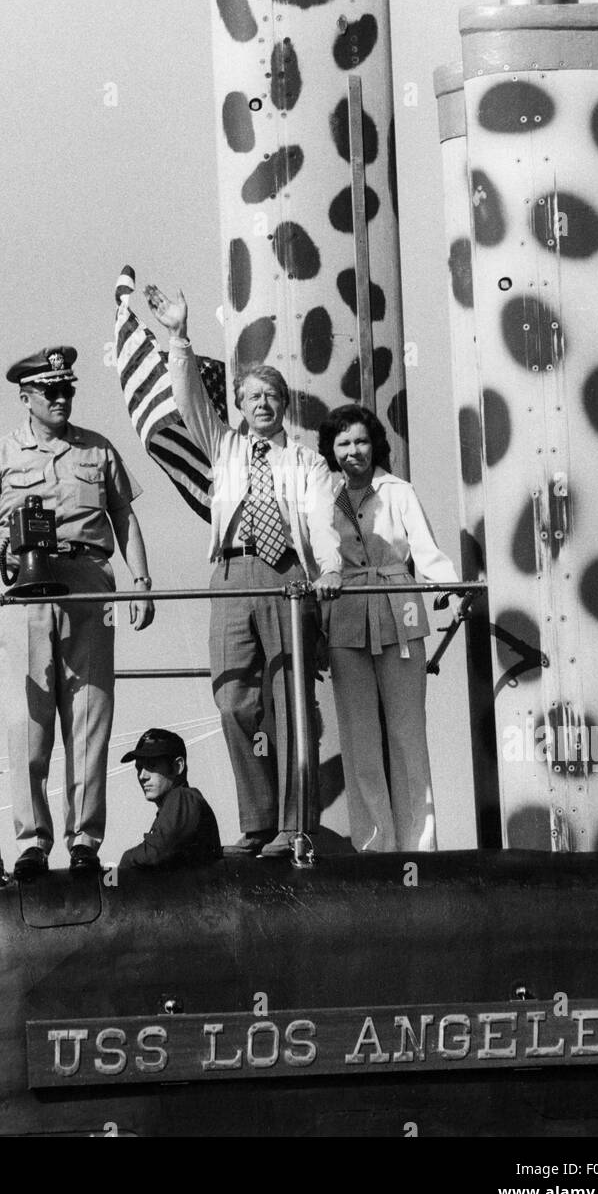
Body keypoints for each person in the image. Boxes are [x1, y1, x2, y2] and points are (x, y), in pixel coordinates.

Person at [147, 287, 342, 858]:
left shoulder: (305, 461)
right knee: (234, 697)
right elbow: (186, 400)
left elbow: (321, 521)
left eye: (271, 396)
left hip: (285, 576)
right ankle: (256, 821)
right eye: (252, 396)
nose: (262, 404)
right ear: (240, 405)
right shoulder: (225, 448)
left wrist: (327, 569)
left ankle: (293, 825)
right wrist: (178, 336)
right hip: (231, 573)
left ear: (284, 405)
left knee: (288, 700)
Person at [0, 345, 155, 880]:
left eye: (67, 389)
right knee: (29, 725)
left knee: (89, 721)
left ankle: (86, 840)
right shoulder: (1, 455)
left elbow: (125, 517)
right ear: (26, 398)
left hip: (88, 587)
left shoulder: (98, 450)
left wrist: (140, 582)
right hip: (26, 594)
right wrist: (3, 544)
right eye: (50, 392)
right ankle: (32, 842)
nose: (61, 398)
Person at [317, 405, 459, 854]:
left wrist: (449, 586)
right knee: (360, 738)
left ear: (374, 444)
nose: (353, 451)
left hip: (400, 611)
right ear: (332, 451)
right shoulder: (325, 498)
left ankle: (420, 844)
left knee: (406, 733)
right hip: (346, 616)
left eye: (360, 441)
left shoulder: (398, 492)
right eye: (343, 443)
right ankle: (374, 844)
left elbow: (425, 548)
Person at [118, 728, 221, 869]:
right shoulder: (175, 804)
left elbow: (156, 851)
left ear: (177, 767)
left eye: (151, 765)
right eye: (139, 768)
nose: (142, 776)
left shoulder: (183, 797)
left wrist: (126, 860)